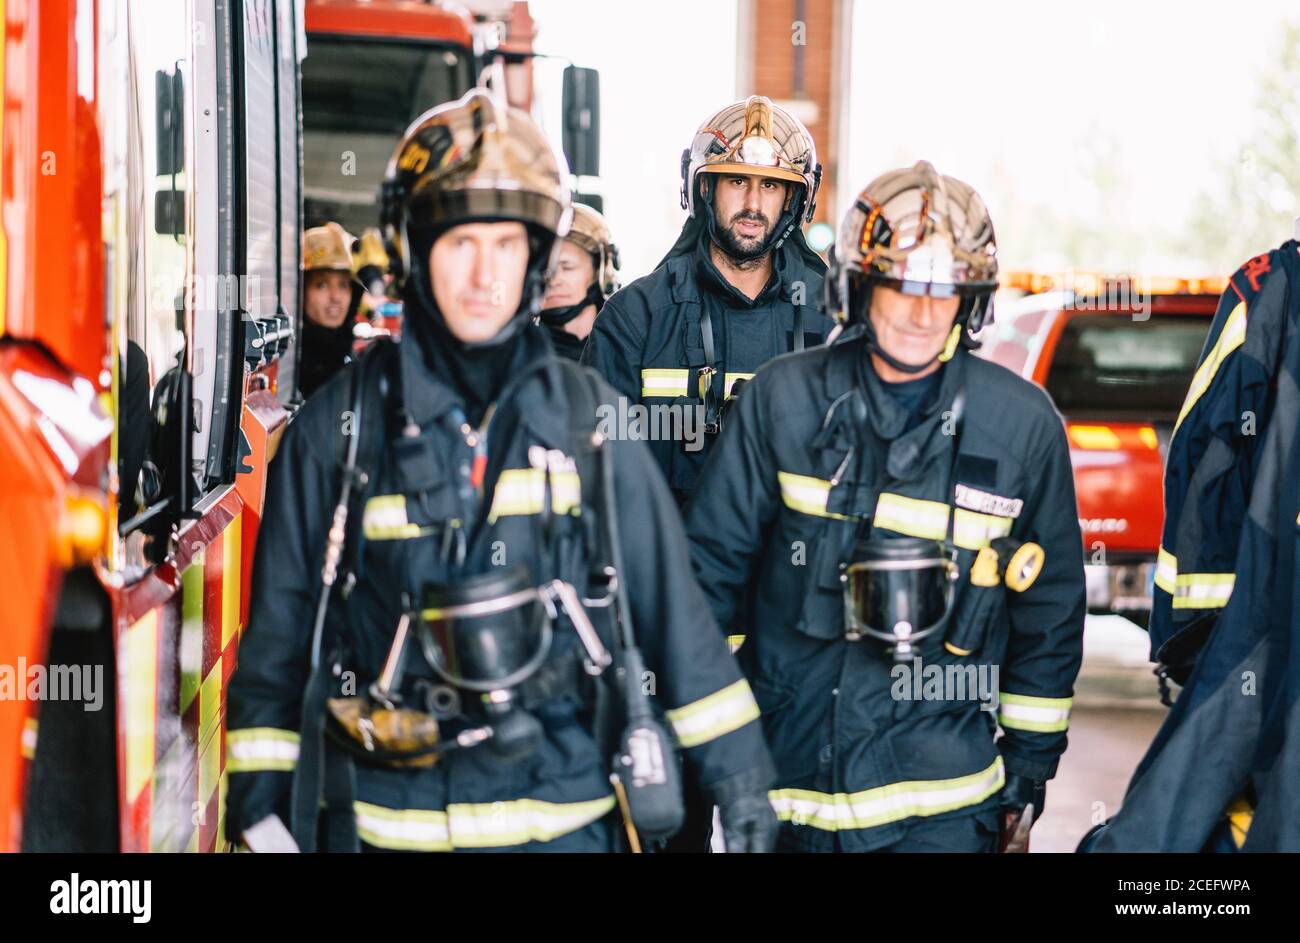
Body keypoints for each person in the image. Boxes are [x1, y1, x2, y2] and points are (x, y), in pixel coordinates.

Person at [224, 90, 777, 854]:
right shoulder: (338, 435)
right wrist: (259, 807)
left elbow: (676, 620)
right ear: (416, 250)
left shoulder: (591, 420)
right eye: (460, 244)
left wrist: (741, 782)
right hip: (391, 831)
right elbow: (278, 641)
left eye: (507, 246)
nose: (484, 274)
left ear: (536, 260)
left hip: (563, 826)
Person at [685, 161, 1086, 852]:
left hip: (947, 809)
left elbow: (1048, 612)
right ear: (858, 286)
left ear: (973, 300)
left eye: (945, 289)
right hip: (788, 794)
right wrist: (717, 753)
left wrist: (1028, 764)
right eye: (901, 283)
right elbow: (707, 582)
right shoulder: (782, 402)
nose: (923, 310)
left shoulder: (1022, 426)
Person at [581, 96, 834, 505]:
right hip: (670, 565)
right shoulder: (635, 319)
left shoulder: (832, 321)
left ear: (792, 199)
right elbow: (599, 476)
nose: (753, 204)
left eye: (769, 185)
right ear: (704, 186)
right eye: (736, 181)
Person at [538, 202, 620, 360]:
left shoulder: (627, 341)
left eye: (567, 267)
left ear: (599, 270)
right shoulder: (518, 351)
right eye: (544, 270)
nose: (553, 281)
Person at [298, 222, 359, 399]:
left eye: (343, 285)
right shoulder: (287, 365)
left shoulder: (352, 361)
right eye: (321, 284)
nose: (336, 297)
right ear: (300, 289)